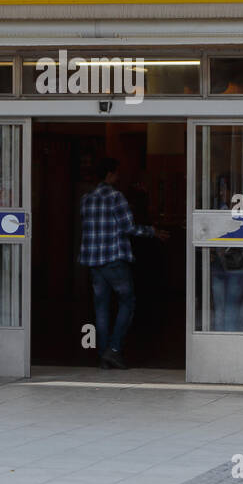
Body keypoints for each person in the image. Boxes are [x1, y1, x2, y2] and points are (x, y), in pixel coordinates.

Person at [78, 157, 170, 369]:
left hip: (94, 262)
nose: (118, 177)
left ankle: (103, 354)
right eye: (116, 173)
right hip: (114, 259)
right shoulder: (116, 197)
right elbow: (129, 227)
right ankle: (115, 349)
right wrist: (152, 231)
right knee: (127, 302)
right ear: (109, 174)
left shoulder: (86, 198)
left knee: (101, 308)